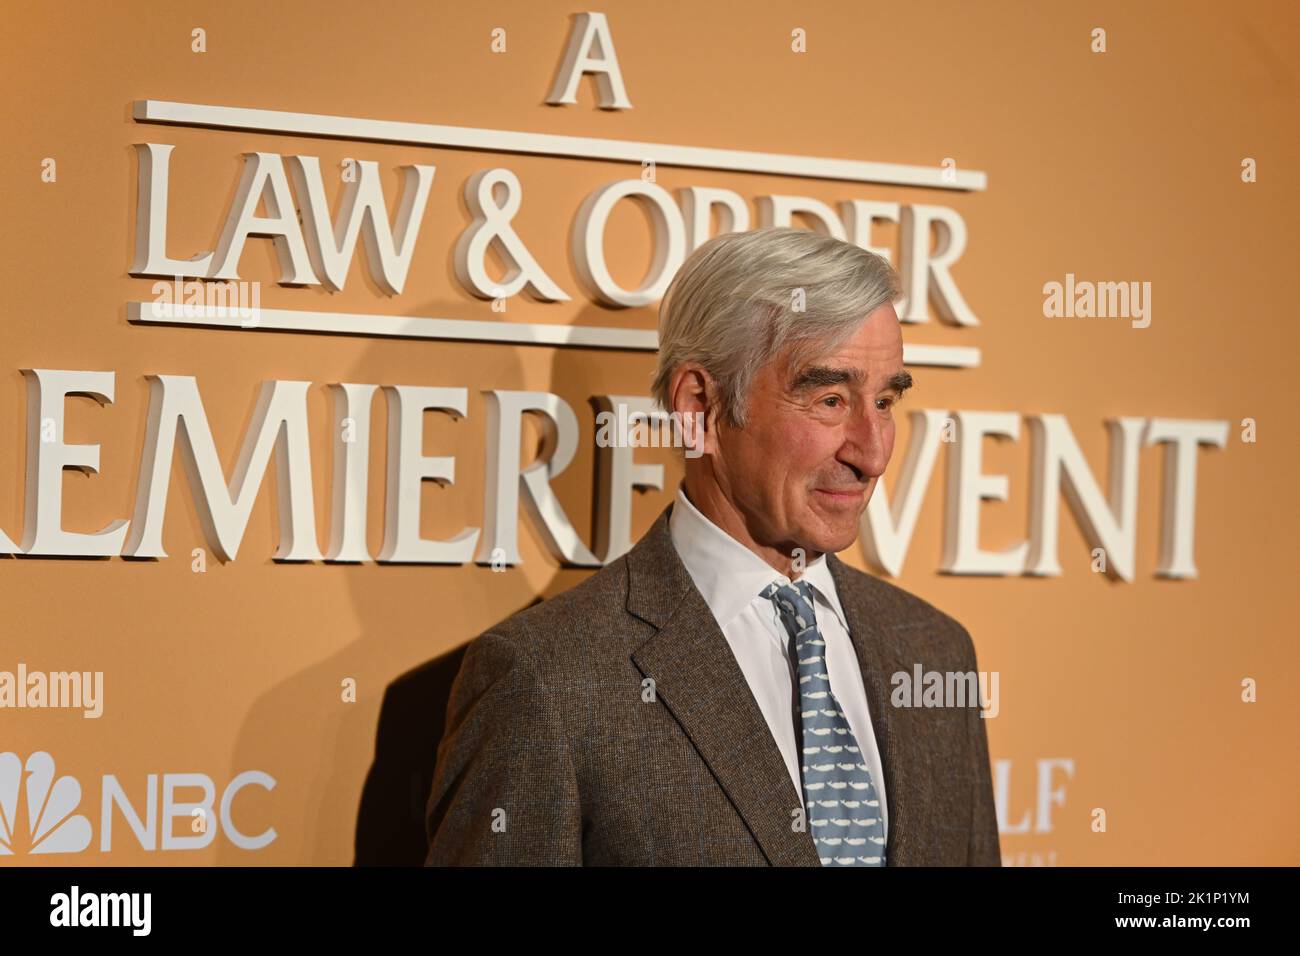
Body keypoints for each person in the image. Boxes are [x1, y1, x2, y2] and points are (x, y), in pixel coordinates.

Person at [425, 226, 1000, 866]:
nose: (872, 451)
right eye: (830, 399)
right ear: (699, 407)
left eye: (886, 400)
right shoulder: (547, 681)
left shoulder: (935, 650)